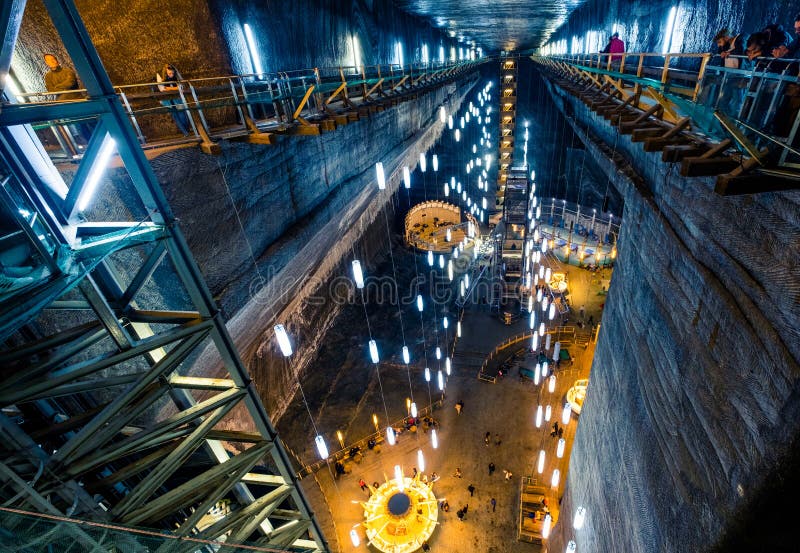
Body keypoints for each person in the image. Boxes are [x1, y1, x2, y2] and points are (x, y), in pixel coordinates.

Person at [156, 63, 191, 136]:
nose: (171, 75)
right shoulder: (159, 75)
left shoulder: (176, 74)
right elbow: (162, 89)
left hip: (177, 98)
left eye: (172, 73)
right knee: (175, 116)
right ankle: (185, 133)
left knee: (182, 115)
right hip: (167, 100)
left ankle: (187, 131)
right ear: (166, 73)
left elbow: (181, 86)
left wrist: (168, 88)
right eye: (169, 73)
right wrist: (175, 88)